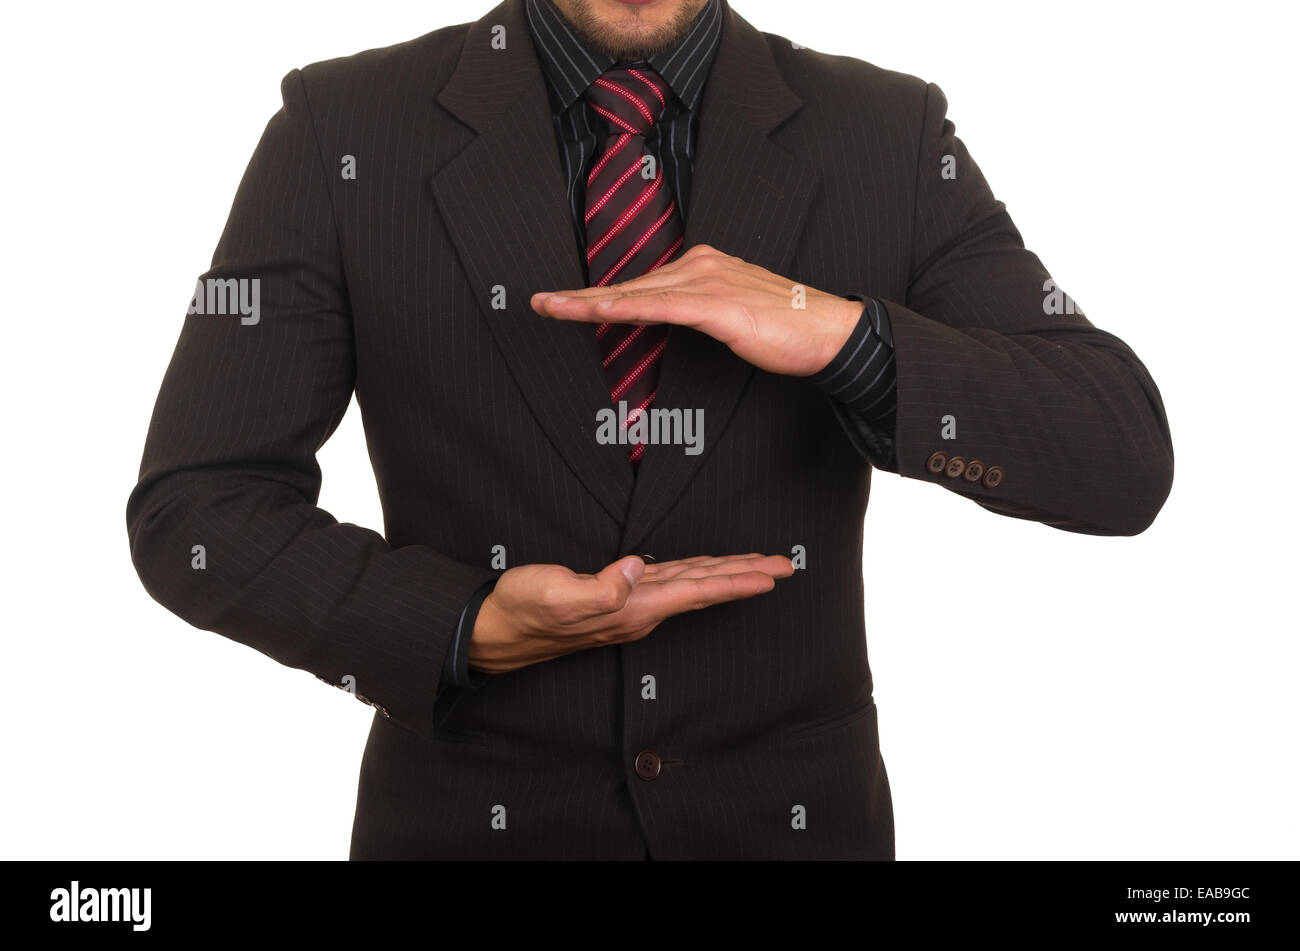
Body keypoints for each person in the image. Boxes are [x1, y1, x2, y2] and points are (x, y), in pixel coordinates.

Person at [127, 0, 1174, 859]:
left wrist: (841, 336)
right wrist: (465, 626)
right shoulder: (341, 128)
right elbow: (198, 506)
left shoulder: (885, 134)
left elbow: (1118, 452)